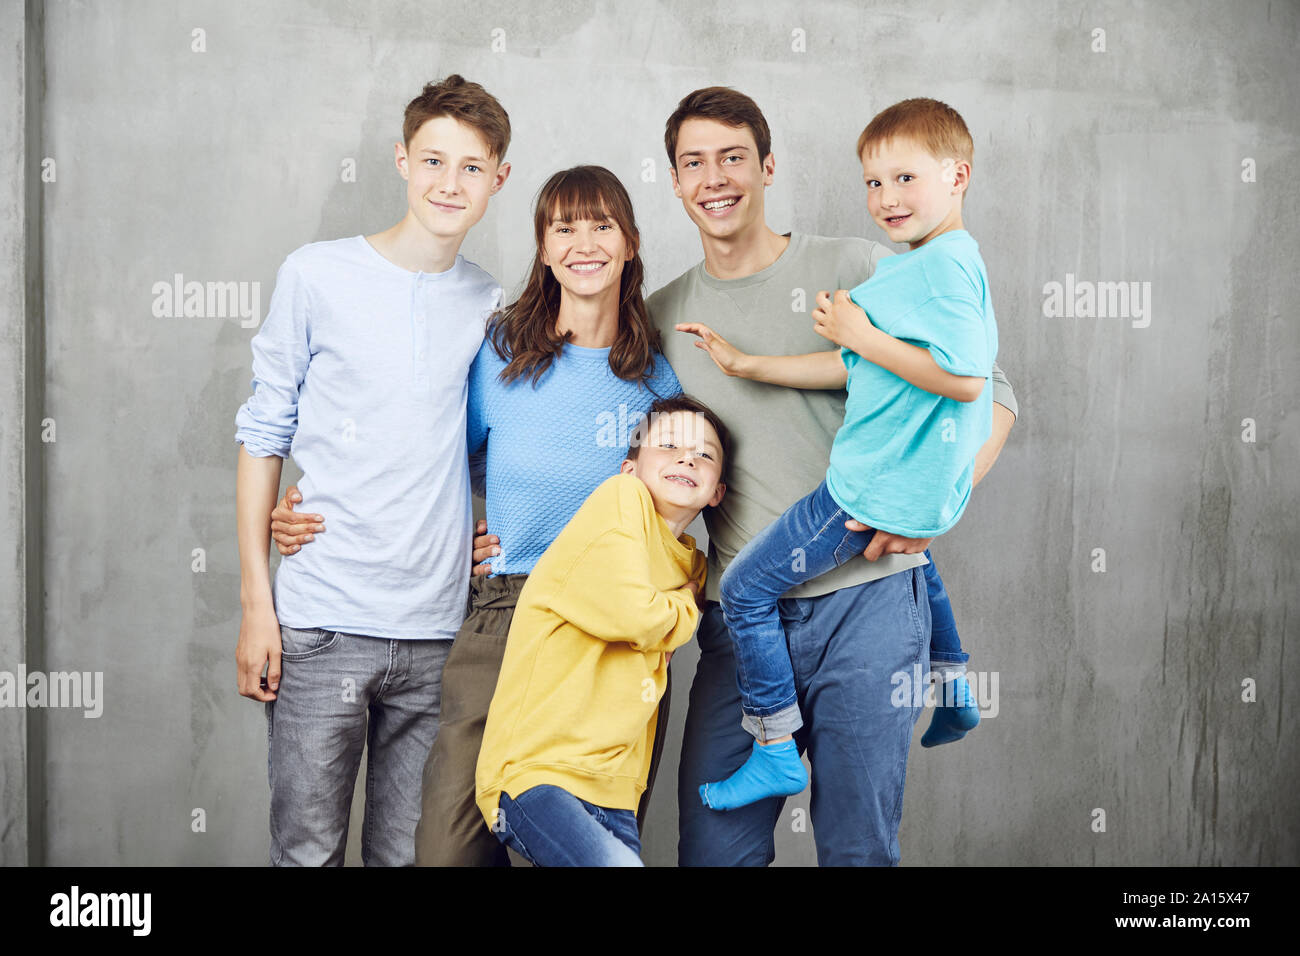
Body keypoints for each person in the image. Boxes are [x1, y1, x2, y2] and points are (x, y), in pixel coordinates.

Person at [269, 165, 683, 866]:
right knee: (449, 848)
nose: (584, 243)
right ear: (544, 249)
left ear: (631, 243)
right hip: (505, 611)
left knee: (585, 847)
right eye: (564, 227)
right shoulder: (498, 357)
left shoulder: (655, 381)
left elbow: (683, 503)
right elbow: (424, 461)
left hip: (611, 635)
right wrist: (322, 505)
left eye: (602, 225)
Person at [648, 86, 1020, 864]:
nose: (714, 177)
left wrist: (929, 514)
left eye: (733, 158)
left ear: (767, 166)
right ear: (675, 181)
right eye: (694, 162)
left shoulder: (858, 267)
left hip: (869, 609)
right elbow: (620, 453)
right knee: (713, 851)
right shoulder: (663, 317)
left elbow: (993, 393)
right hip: (741, 624)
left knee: (857, 848)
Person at [233, 75, 511, 866]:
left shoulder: (493, 303)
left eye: (470, 167)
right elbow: (264, 433)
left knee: (406, 857)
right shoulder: (316, 274)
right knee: (308, 852)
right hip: (321, 624)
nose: (448, 184)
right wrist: (260, 604)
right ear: (401, 160)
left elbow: (489, 446)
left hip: (436, 632)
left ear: (499, 179)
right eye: (432, 161)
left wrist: (488, 526)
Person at [475, 397, 726, 866]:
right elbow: (632, 614)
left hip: (617, 792)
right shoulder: (620, 498)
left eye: (704, 454)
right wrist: (683, 610)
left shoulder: (692, 562)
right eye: (668, 445)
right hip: (540, 773)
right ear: (630, 468)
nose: (687, 457)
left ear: (717, 492)